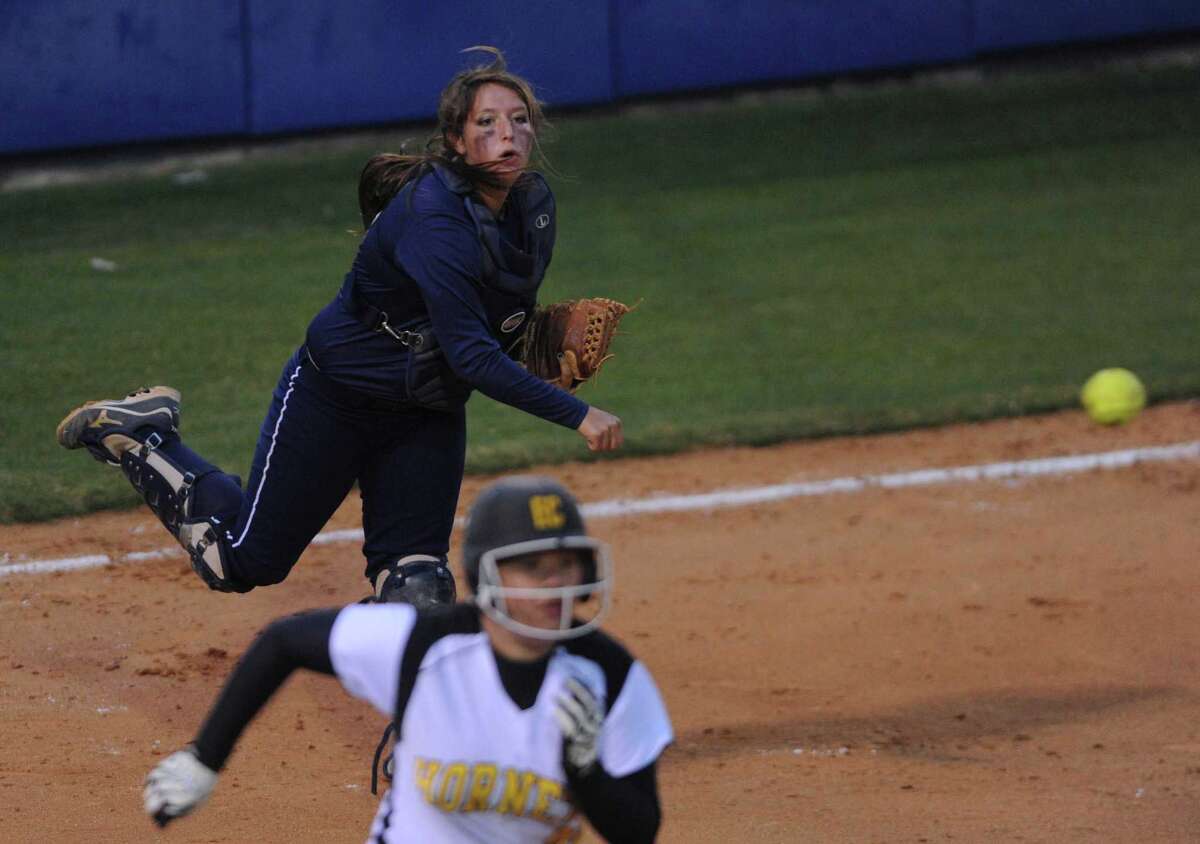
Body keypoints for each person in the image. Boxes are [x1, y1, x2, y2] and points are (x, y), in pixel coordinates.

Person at [54, 47, 623, 602]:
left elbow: (486, 317)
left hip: (426, 410)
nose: (508, 133)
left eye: (520, 121)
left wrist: (524, 346)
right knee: (240, 562)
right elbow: (471, 355)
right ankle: (145, 434)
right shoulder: (435, 219)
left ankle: (385, 678)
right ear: (457, 139)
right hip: (337, 399)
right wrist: (577, 414)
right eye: (488, 121)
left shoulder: (533, 206)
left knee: (420, 587)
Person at [142, 475, 672, 843]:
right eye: (532, 568)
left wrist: (586, 769)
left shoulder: (612, 678)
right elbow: (285, 642)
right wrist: (204, 760)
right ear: (490, 577)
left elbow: (639, 830)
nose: (555, 584)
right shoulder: (425, 648)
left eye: (566, 565)